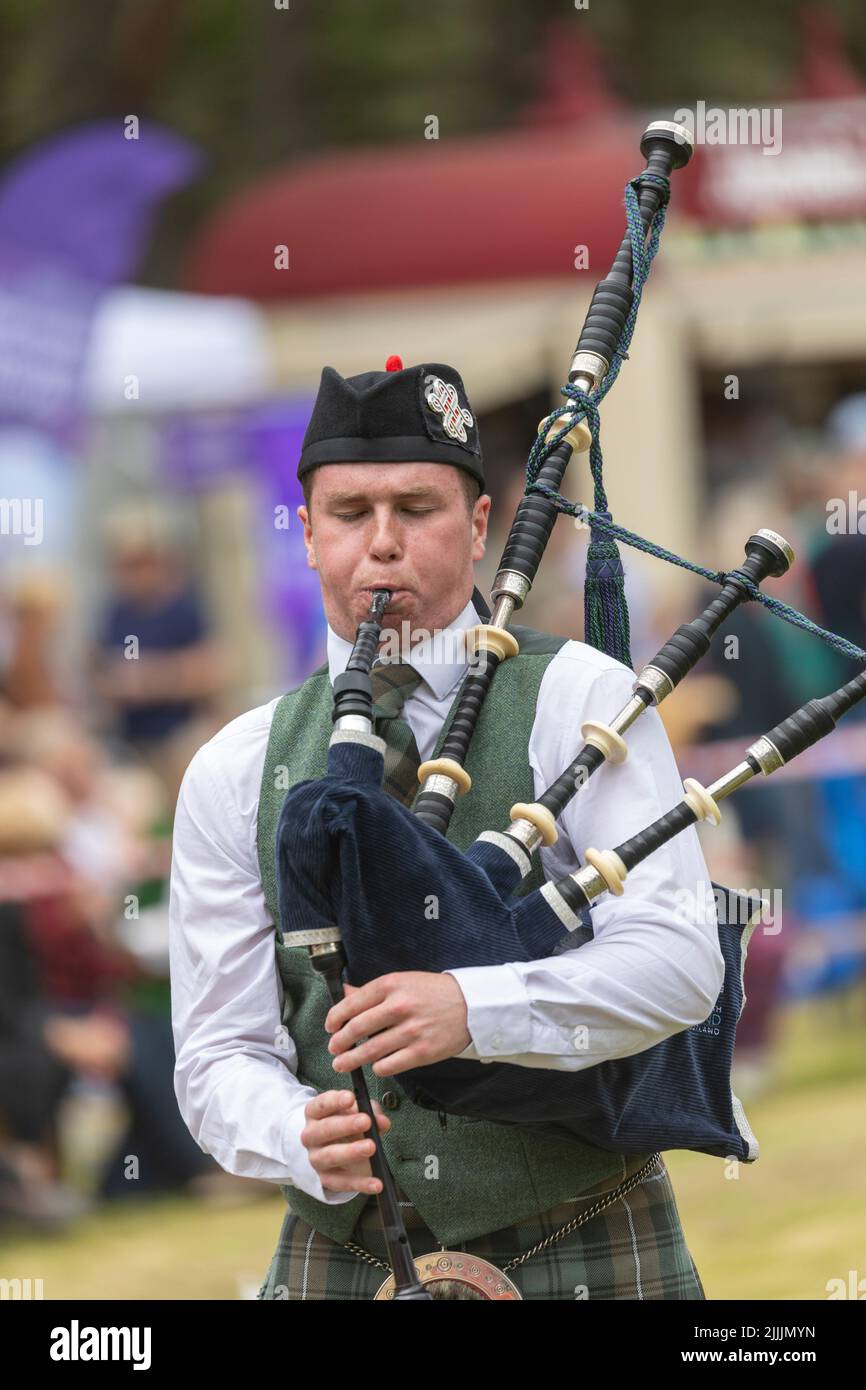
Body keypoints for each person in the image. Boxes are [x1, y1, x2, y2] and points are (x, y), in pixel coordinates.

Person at [169, 358, 724, 1300]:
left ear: (476, 530)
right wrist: (292, 1134)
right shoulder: (235, 767)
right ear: (306, 534)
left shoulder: (577, 698)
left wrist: (474, 1008)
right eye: (350, 514)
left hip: (579, 1225)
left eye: (417, 508)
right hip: (346, 1249)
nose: (382, 546)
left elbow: (678, 963)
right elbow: (218, 1050)